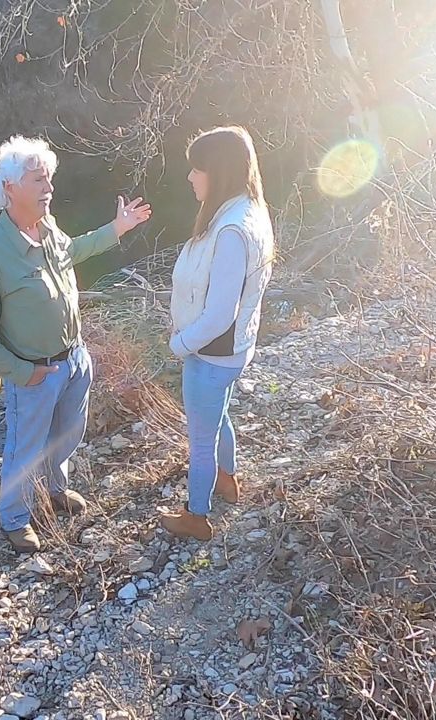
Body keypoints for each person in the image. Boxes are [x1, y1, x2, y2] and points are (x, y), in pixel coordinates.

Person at [0, 135, 151, 553]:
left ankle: (56, 489)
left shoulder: (46, 227)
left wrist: (117, 228)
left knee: (68, 433)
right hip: (34, 372)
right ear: (9, 188)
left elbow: (72, 252)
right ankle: (14, 519)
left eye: (49, 179)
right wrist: (23, 373)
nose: (48, 189)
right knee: (24, 449)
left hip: (74, 359)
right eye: (38, 181)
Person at [161, 126, 274, 541]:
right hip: (232, 352)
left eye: (197, 169)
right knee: (219, 416)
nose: (191, 178)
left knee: (200, 439)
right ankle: (227, 481)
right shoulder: (249, 210)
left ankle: (196, 516)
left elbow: (219, 314)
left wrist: (181, 344)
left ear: (218, 171)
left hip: (212, 354)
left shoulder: (230, 231)